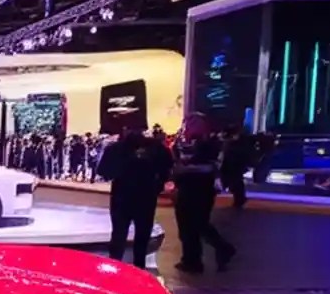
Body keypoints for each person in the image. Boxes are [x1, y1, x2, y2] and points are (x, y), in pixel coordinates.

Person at [96, 129, 172, 269]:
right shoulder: (156, 148)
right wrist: (158, 184)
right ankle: (139, 269)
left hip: (123, 196)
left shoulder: (116, 148)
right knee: (141, 238)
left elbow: (103, 172)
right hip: (145, 195)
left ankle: (115, 268)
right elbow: (168, 168)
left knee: (119, 236)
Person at [172, 114, 236, 273]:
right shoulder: (184, 144)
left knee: (198, 223)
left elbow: (209, 167)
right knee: (186, 226)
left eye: (192, 123)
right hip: (186, 187)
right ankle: (191, 260)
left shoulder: (210, 144)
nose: (187, 126)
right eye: (187, 123)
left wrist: (185, 168)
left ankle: (221, 248)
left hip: (200, 189)